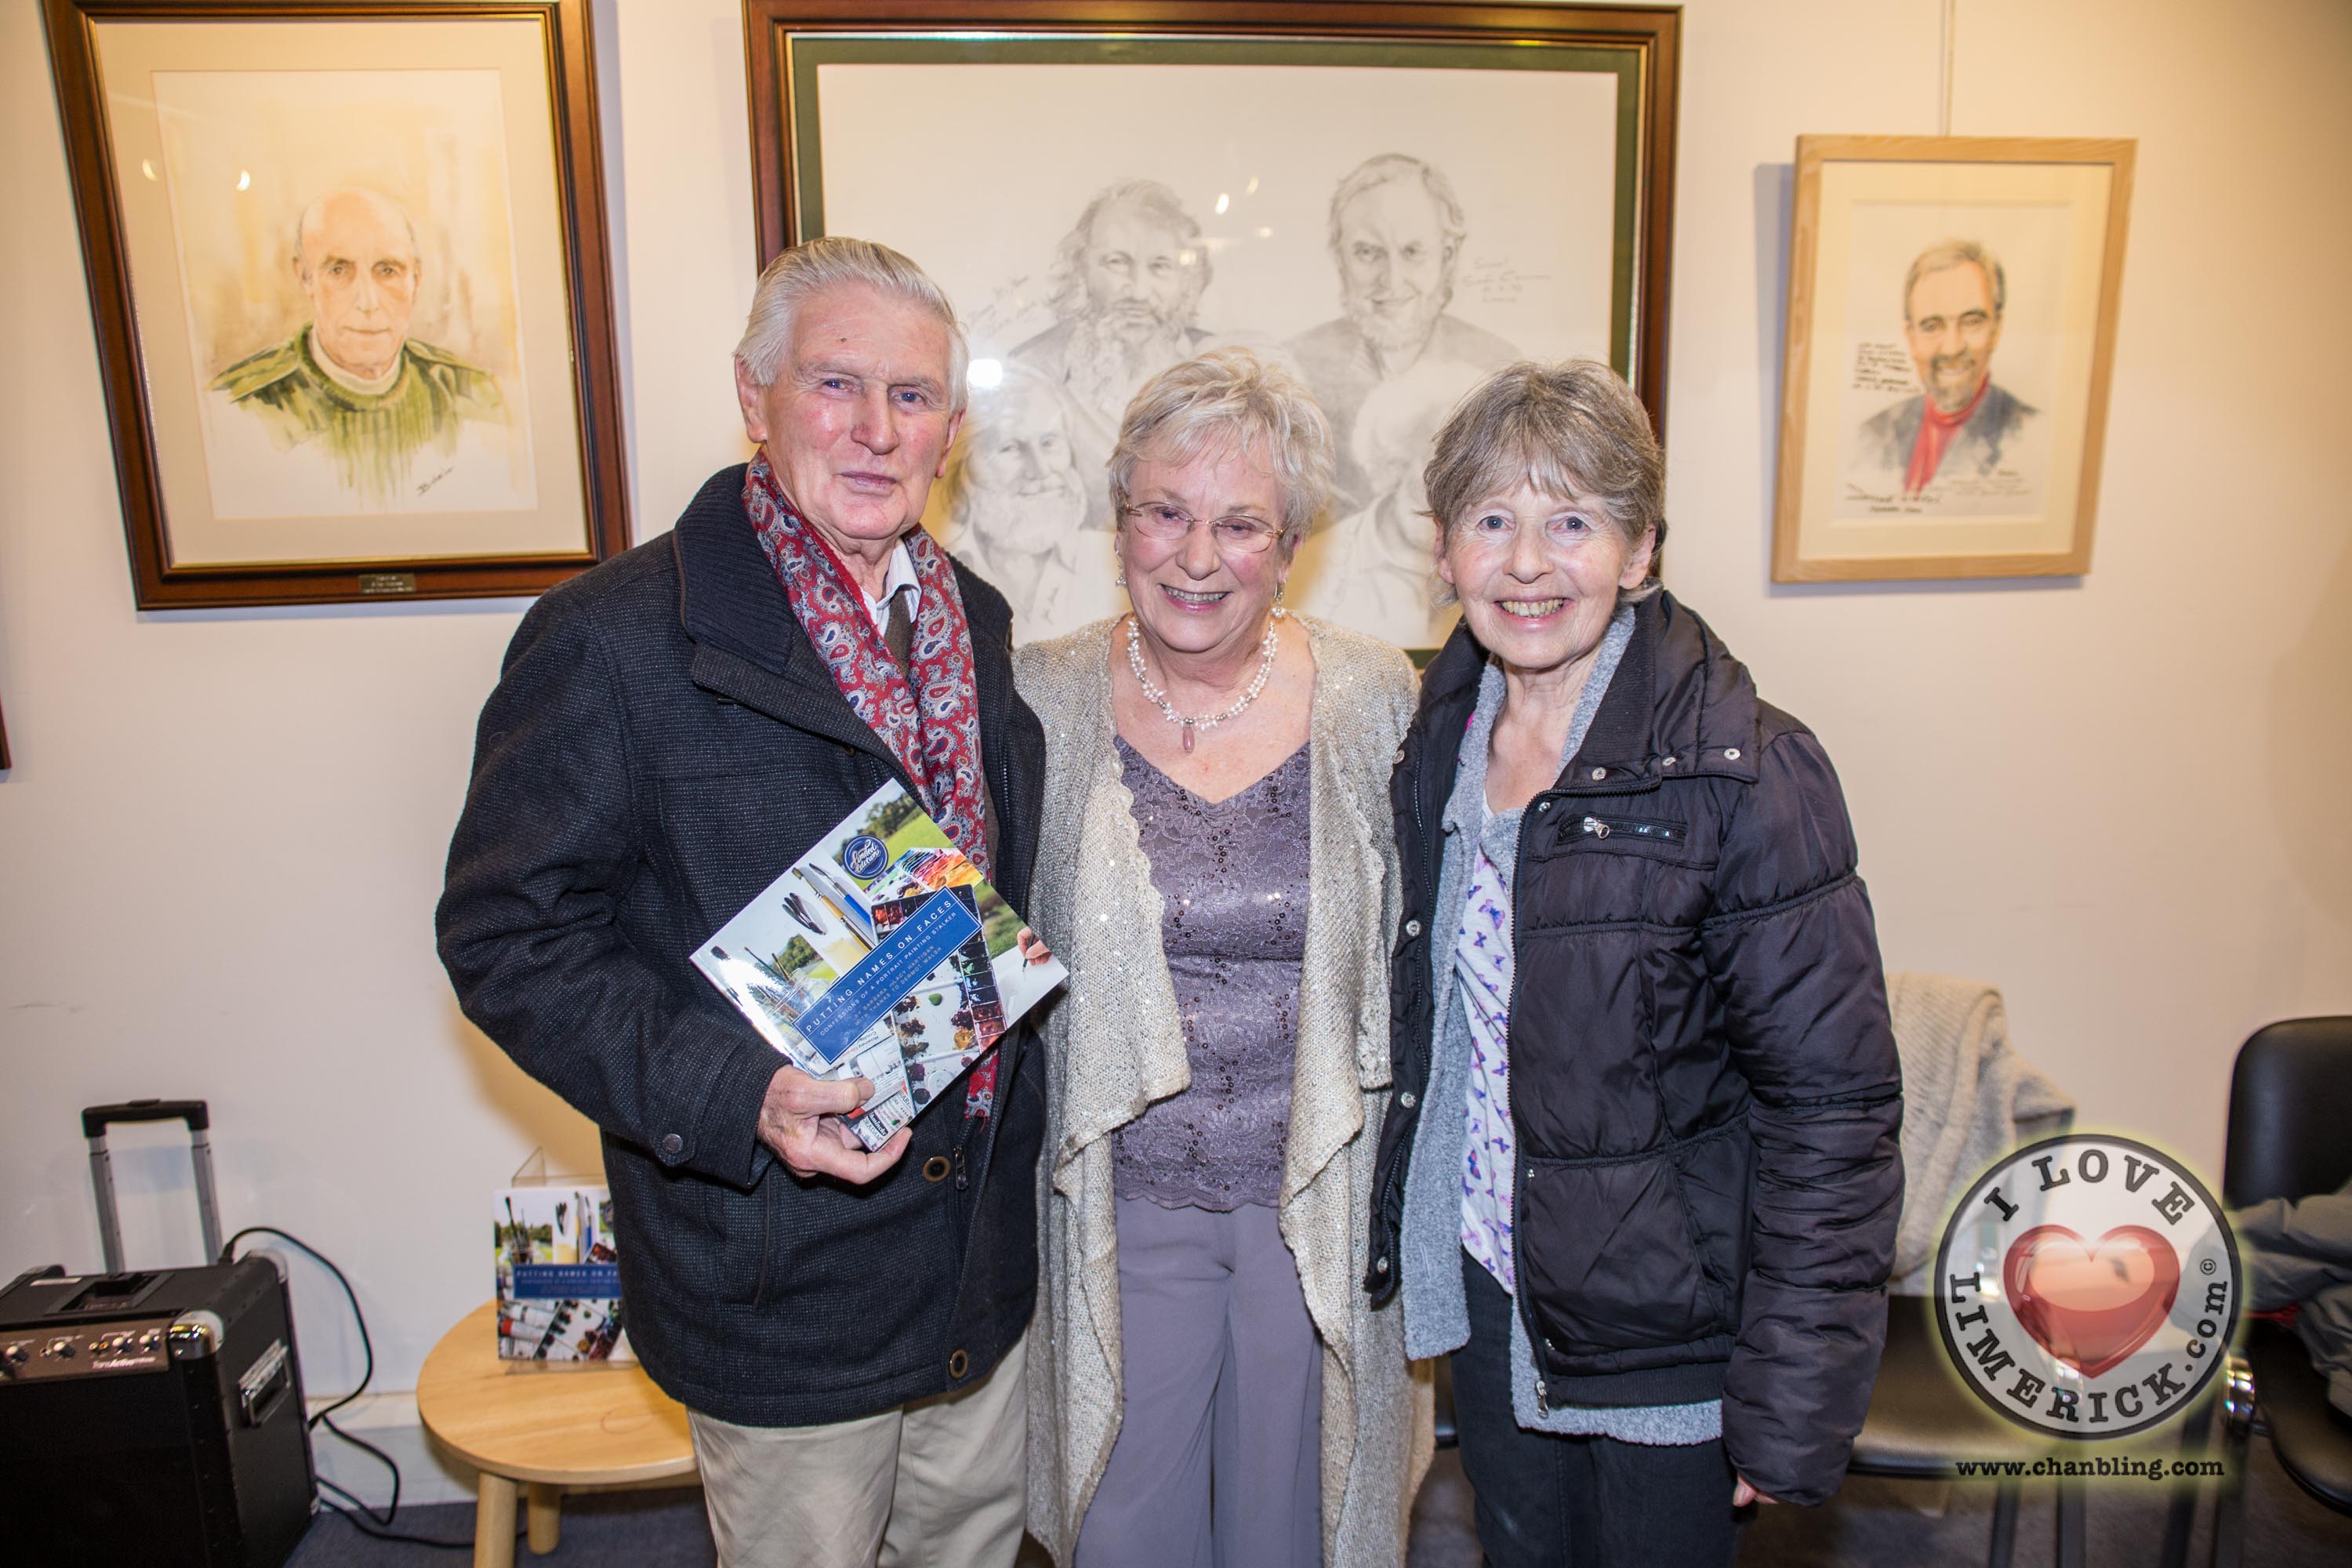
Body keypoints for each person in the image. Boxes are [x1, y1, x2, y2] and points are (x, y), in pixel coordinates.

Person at [437, 236, 1048, 1568]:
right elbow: (506, 937)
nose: (879, 431)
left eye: (915, 394)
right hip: (778, 1264)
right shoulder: (611, 640)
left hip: (971, 1256)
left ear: (952, 423)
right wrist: (741, 1096)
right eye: (837, 385)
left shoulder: (976, 623)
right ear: (753, 395)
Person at [1367, 361, 1903, 1565]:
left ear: (1641, 549)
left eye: (1574, 522)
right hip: (1500, 1299)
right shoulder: (1431, 748)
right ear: (1444, 550)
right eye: (1491, 520)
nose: (1527, 563)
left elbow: (1835, 1110)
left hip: (1673, 1330)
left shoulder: (1746, 772)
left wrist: (1794, 1396)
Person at [1018, 347, 1428, 1567]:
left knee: (1295, 1522)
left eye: (1240, 523)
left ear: (1291, 540)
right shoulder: (1037, 702)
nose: (1197, 557)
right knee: (1124, 1522)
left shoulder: (1373, 697)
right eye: (1165, 512)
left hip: (1320, 1194)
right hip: (1119, 1199)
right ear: (1121, 520)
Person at [211, 187, 506, 504]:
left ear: (416, 281)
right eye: (339, 270)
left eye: (388, 271)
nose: (367, 303)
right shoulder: (238, 408)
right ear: (305, 277)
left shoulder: (474, 396)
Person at [1284, 154, 1517, 510]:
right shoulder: (1292, 371)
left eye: (1412, 252)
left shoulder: (1501, 372)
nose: (1392, 281)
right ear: (1340, 258)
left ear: (1448, 257)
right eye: (1367, 253)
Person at [1013, 179, 1215, 525]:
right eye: (1117, 262)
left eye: (1160, 266)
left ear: (1187, 281)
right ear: (1082, 271)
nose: (1137, 291)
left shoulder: (1220, 371)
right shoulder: (1031, 370)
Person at [937, 365, 1120, 641]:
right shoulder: (933, 575)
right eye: (1009, 447)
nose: (1040, 470)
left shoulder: (1120, 564)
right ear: (964, 465)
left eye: (1049, 443)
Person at [1854, 239, 2038, 495]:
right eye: (1932, 326)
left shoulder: (2029, 435)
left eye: (1972, 322)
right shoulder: (1873, 435)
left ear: (1996, 329)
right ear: (1911, 336)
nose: (1952, 348)